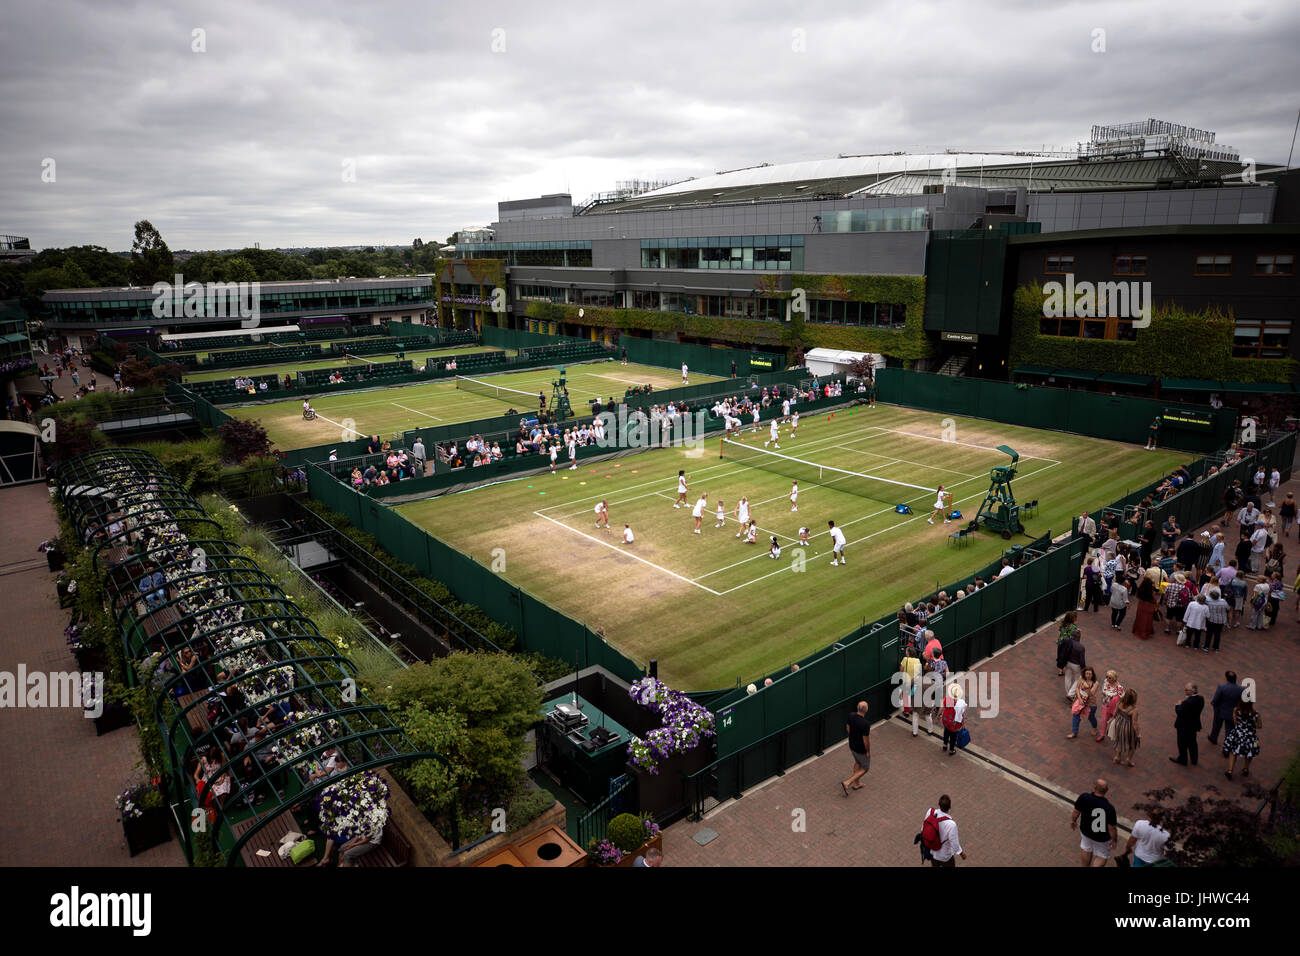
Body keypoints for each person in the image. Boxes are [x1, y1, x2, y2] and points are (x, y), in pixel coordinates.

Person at [1072, 778, 1118, 866]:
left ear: (1095, 787)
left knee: (1086, 848)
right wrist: (1114, 840)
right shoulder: (1109, 807)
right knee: (1102, 855)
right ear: (1106, 791)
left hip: (1086, 832)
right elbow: (1112, 828)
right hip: (1102, 838)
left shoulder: (1084, 797)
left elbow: (1076, 812)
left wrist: (1073, 821)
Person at [1222, 700, 1262, 779]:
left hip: (1238, 734)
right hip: (1250, 736)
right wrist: (1252, 726)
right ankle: (1246, 769)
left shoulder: (1236, 710)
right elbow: (1259, 726)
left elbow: (1235, 722)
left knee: (1233, 751)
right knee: (1249, 752)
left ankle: (1230, 770)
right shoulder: (1256, 714)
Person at [923, 796, 966, 867]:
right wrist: (961, 853)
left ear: (939, 804)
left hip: (932, 851)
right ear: (950, 807)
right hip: (945, 855)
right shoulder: (951, 824)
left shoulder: (930, 812)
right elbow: (954, 842)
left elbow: (924, 828)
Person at [1170, 682, 1204, 767]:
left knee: (1182, 743)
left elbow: (1180, 712)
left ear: (1192, 691)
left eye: (1186, 690)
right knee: (1193, 743)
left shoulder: (1187, 703)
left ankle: (1183, 759)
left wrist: (1178, 705)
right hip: (1194, 725)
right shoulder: (1200, 699)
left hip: (1184, 726)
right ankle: (1194, 760)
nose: (1185, 691)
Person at [841, 701, 871, 796]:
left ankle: (857, 784)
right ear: (866, 710)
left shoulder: (851, 715)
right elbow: (866, 740)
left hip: (852, 745)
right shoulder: (865, 724)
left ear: (857, 708)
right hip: (860, 749)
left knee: (858, 762)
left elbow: (848, 728)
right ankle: (848, 782)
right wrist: (868, 751)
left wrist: (852, 737)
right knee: (865, 768)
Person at [1207, 671, 1243, 746]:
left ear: (1227, 678)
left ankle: (1213, 738)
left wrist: (1214, 705)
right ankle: (1226, 748)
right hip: (1232, 713)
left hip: (1220, 711)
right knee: (1229, 730)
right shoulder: (1241, 690)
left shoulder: (1222, 687)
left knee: (1216, 726)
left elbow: (1216, 699)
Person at [1111, 688, 1140, 766]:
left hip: (1118, 724)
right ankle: (1128, 760)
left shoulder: (1120, 702)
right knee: (1133, 743)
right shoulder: (1134, 710)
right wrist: (1138, 734)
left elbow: (1114, 714)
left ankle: (1117, 757)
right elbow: (1134, 723)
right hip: (1128, 728)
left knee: (1119, 740)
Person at [1068, 667, 1099, 739]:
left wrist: (1086, 687)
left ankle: (1095, 728)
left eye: (1090, 674)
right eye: (1087, 673)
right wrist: (1079, 699)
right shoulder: (1081, 678)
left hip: (1090, 704)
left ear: (1093, 674)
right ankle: (1074, 732)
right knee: (1076, 715)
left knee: (1091, 717)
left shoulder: (1095, 683)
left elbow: (1091, 694)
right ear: (1084, 674)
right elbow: (1077, 688)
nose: (1088, 675)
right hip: (1080, 701)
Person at [900, 646, 924, 736]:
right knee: (913, 695)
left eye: (906, 651)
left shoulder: (905, 659)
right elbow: (919, 672)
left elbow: (901, 669)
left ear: (908, 653)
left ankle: (906, 711)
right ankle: (912, 709)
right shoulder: (917, 661)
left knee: (905, 696)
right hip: (915, 681)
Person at [1096, 670, 1124, 743]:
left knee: (1115, 722)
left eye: (1110, 678)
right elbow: (1103, 692)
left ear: (1115, 678)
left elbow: (1122, 699)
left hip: (1115, 707)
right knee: (1104, 720)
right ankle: (1102, 735)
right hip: (1106, 705)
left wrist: (1117, 708)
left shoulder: (1119, 688)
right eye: (1107, 677)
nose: (1108, 679)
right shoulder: (1106, 682)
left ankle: (1116, 736)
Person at [1058, 629, 1086, 700]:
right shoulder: (1081, 647)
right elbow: (1082, 660)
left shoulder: (1068, 643)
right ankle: (1071, 694)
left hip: (1067, 663)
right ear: (1079, 637)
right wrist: (1084, 668)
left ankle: (1068, 693)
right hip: (1076, 665)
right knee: (1078, 679)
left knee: (1068, 677)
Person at [940, 684, 966, 756]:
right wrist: (963, 724)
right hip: (954, 723)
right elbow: (963, 715)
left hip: (946, 720)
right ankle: (951, 750)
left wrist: (938, 715)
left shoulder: (947, 699)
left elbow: (942, 708)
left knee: (946, 732)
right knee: (953, 736)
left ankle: (945, 745)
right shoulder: (960, 703)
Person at [1131, 575, 1158, 640]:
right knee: (1147, 621)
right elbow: (1154, 600)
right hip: (1149, 607)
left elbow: (1137, 596)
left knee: (1139, 618)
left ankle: (1137, 630)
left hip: (1141, 605)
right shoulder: (1151, 592)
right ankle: (1145, 632)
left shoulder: (1140, 589)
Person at [1055, 611, 1080, 676]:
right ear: (1073, 619)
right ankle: (1064, 668)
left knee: (1060, 654)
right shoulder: (1073, 627)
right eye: (1075, 617)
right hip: (1067, 644)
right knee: (1066, 655)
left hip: (1060, 642)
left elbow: (1060, 631)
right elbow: (1072, 636)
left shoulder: (1063, 624)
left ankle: (1060, 669)